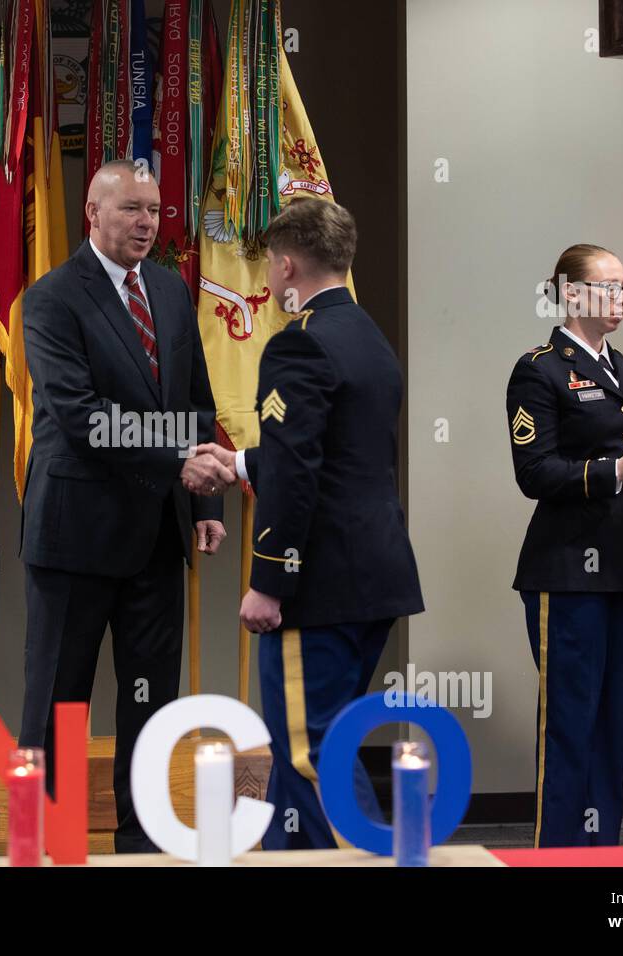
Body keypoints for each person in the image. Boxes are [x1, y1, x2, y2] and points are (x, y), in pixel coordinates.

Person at [18, 159, 233, 852]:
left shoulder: (170, 290)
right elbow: (83, 419)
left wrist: (205, 503)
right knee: (58, 701)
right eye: (133, 209)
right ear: (93, 213)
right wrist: (178, 459)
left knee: (150, 701)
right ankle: (45, 842)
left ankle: (141, 844)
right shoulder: (51, 299)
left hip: (158, 534)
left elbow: (196, 401)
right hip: (75, 537)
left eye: (154, 210)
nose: (147, 223)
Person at [197, 197, 424, 850]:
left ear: (287, 263)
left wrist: (268, 580)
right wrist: (238, 459)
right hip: (373, 576)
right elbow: (328, 455)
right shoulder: (368, 338)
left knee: (308, 752)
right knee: (331, 737)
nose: (268, 276)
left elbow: (299, 473)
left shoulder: (300, 345)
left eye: (269, 262)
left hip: (318, 587)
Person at [506, 243, 623, 848]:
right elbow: (535, 472)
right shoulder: (540, 369)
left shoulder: (621, 367)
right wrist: (610, 471)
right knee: (571, 723)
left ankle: (602, 855)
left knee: (614, 720)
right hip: (569, 570)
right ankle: (560, 855)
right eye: (611, 287)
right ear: (572, 293)